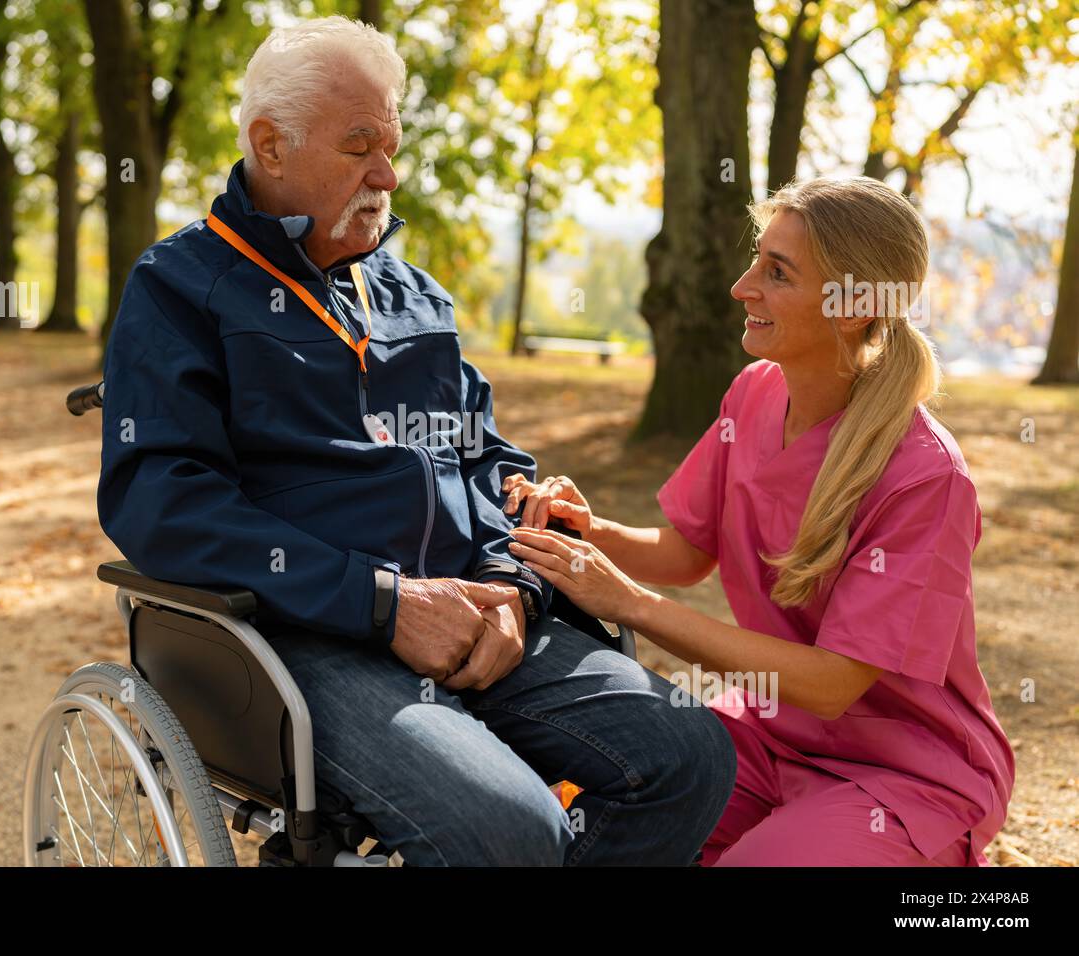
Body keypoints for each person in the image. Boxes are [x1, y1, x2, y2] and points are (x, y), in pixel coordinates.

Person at [96, 15, 735, 866]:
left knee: (689, 755)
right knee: (509, 830)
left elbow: (495, 462)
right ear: (271, 145)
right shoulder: (179, 286)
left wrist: (516, 589)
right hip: (308, 636)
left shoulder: (413, 293)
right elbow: (162, 503)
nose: (387, 173)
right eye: (360, 146)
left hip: (481, 612)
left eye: (391, 145)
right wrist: (382, 603)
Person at [505, 177, 1014, 866]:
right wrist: (588, 530)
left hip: (903, 773)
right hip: (769, 735)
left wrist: (631, 603)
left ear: (854, 306)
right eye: (757, 260)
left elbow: (832, 686)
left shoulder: (927, 478)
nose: (744, 287)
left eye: (777, 273)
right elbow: (688, 552)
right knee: (602, 812)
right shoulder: (753, 393)